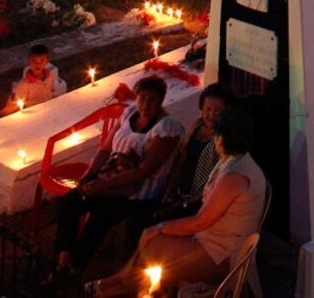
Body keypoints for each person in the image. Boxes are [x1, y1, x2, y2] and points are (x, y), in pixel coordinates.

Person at [88, 106, 267, 297]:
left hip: (222, 258)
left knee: (152, 244)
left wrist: (159, 228)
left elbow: (200, 222)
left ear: (221, 138)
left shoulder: (233, 176)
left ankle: (123, 284)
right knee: (151, 239)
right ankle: (126, 283)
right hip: (214, 244)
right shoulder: (238, 162)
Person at [51, 76, 183, 282]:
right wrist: (88, 176)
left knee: (101, 215)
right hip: (110, 178)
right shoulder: (129, 114)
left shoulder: (167, 128)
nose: (146, 105)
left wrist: (102, 186)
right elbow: (105, 150)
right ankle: (62, 261)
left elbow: (144, 171)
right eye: (142, 99)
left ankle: (77, 266)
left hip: (138, 192)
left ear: (161, 100)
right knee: (69, 202)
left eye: (152, 100)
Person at [123, 83, 231, 254]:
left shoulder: (224, 140)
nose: (211, 116)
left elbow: (215, 182)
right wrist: (169, 192)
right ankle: (132, 263)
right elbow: (181, 160)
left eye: (218, 111)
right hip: (178, 191)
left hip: (198, 200)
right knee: (135, 221)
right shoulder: (197, 126)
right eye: (208, 109)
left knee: (147, 225)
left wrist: (184, 203)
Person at [0, 44, 67, 115]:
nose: (38, 64)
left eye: (41, 61)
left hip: (49, 110)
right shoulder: (24, 84)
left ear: (47, 61)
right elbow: (17, 102)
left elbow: (55, 91)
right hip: (33, 114)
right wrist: (8, 110)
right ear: (29, 61)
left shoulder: (50, 76)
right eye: (34, 61)